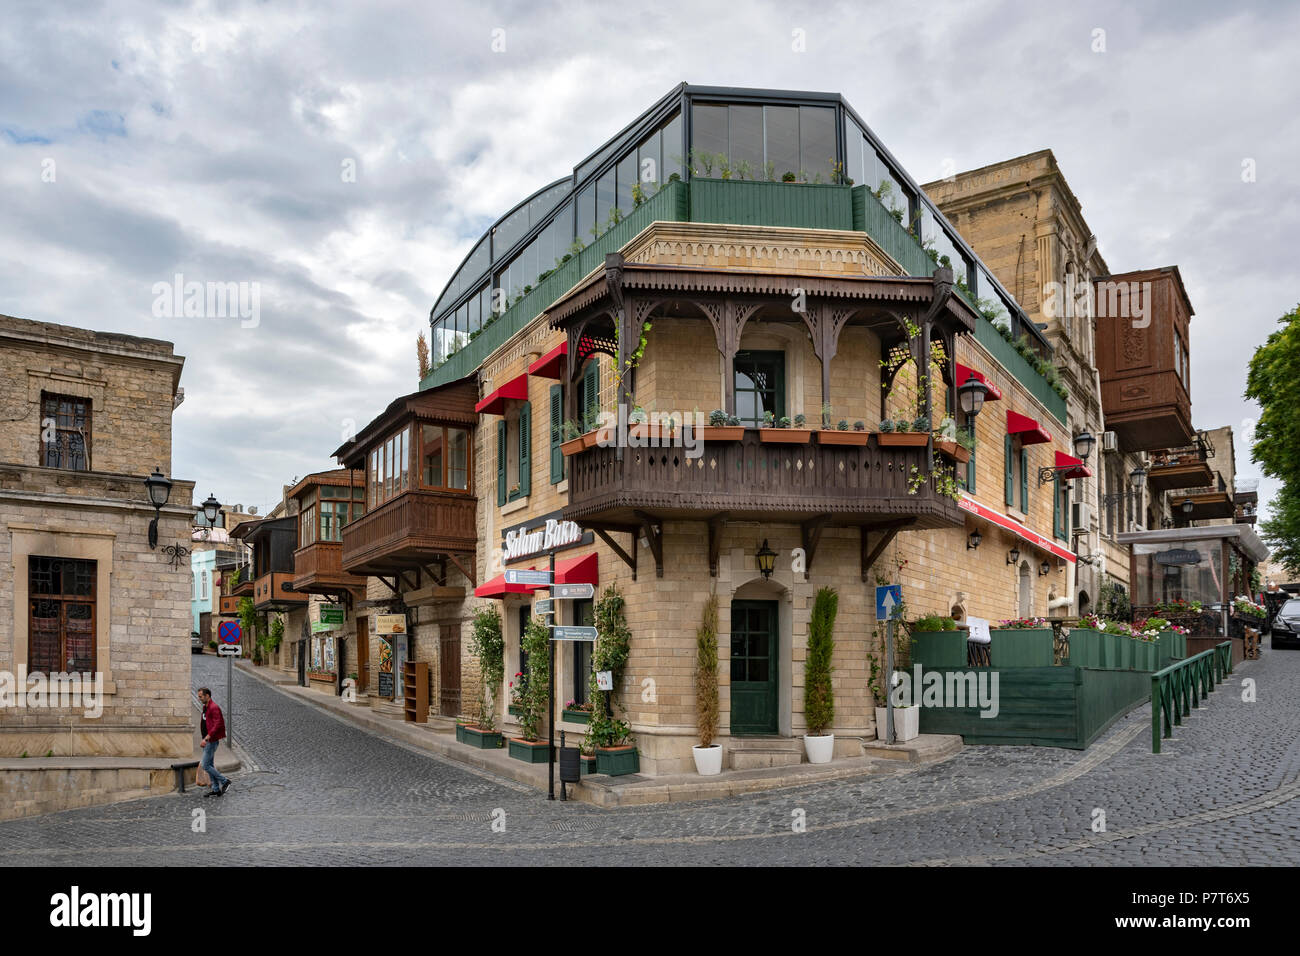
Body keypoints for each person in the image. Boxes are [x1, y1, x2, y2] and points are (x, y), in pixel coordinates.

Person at [197, 687, 231, 797]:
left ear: (207, 696)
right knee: (210, 765)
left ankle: (225, 781)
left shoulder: (214, 707)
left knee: (205, 765)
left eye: (201, 696)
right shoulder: (205, 707)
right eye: (198, 696)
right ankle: (216, 789)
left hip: (211, 741)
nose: (199, 698)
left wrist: (206, 738)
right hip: (207, 740)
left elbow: (218, 724)